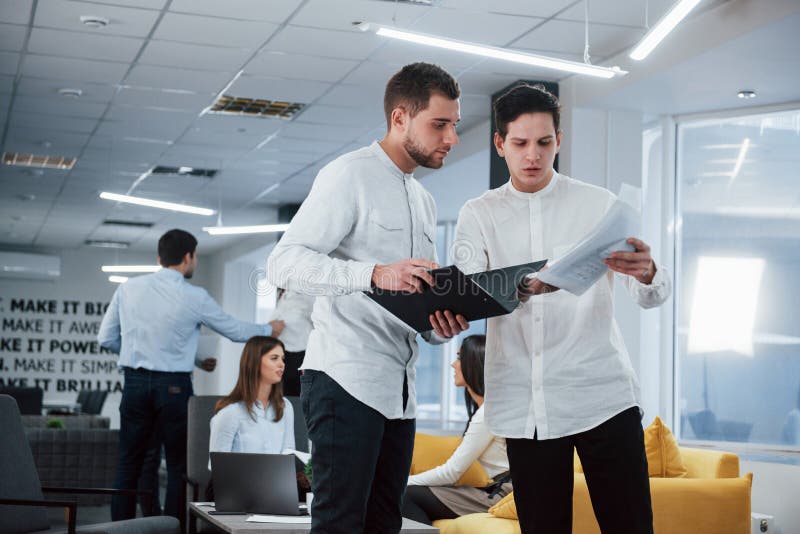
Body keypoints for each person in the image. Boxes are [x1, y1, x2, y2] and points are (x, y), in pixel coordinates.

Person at [452, 84, 672, 534]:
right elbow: (469, 287)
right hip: (523, 403)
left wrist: (648, 273)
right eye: (520, 144)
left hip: (601, 395)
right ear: (500, 144)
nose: (533, 155)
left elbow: (650, 296)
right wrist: (523, 285)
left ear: (559, 140)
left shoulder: (599, 205)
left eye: (544, 142)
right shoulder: (478, 213)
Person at [266, 62, 469, 534]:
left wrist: (439, 322)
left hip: (400, 392)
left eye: (454, 125)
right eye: (439, 124)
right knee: (340, 525)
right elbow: (284, 262)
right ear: (400, 118)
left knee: (384, 525)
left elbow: (412, 297)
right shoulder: (348, 175)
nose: (451, 137)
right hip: (345, 380)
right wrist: (374, 273)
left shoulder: (424, 200)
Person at [97, 229, 285, 524]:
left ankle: (118, 529)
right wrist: (268, 330)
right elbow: (234, 330)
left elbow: (106, 339)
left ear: (160, 258)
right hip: (173, 388)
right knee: (176, 466)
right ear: (189, 257)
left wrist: (136, 358)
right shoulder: (194, 296)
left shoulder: (128, 289)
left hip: (134, 385)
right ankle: (169, 529)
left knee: (128, 462)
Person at [402, 335, 511, 525]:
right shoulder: (492, 408)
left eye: (459, 358)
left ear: (474, 363)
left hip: (501, 496)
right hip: (496, 490)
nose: (453, 364)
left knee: (404, 496)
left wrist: (401, 483)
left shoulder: (489, 412)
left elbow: (451, 473)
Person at [206, 336, 297, 500]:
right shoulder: (230, 413)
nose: (282, 364)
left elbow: (288, 457)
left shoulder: (285, 407)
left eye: (283, 359)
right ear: (254, 362)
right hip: (235, 493)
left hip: (274, 492)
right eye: (274, 358)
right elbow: (217, 468)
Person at [137, 355, 218, 516]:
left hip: (139, 379)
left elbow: (106, 339)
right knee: (177, 465)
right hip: (175, 383)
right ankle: (171, 523)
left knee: (146, 461)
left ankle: (150, 520)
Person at [270, 289, 315, 396]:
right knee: (281, 394)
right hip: (283, 353)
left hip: (301, 354)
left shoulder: (309, 293)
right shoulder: (284, 293)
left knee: (299, 395)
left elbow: (319, 321)